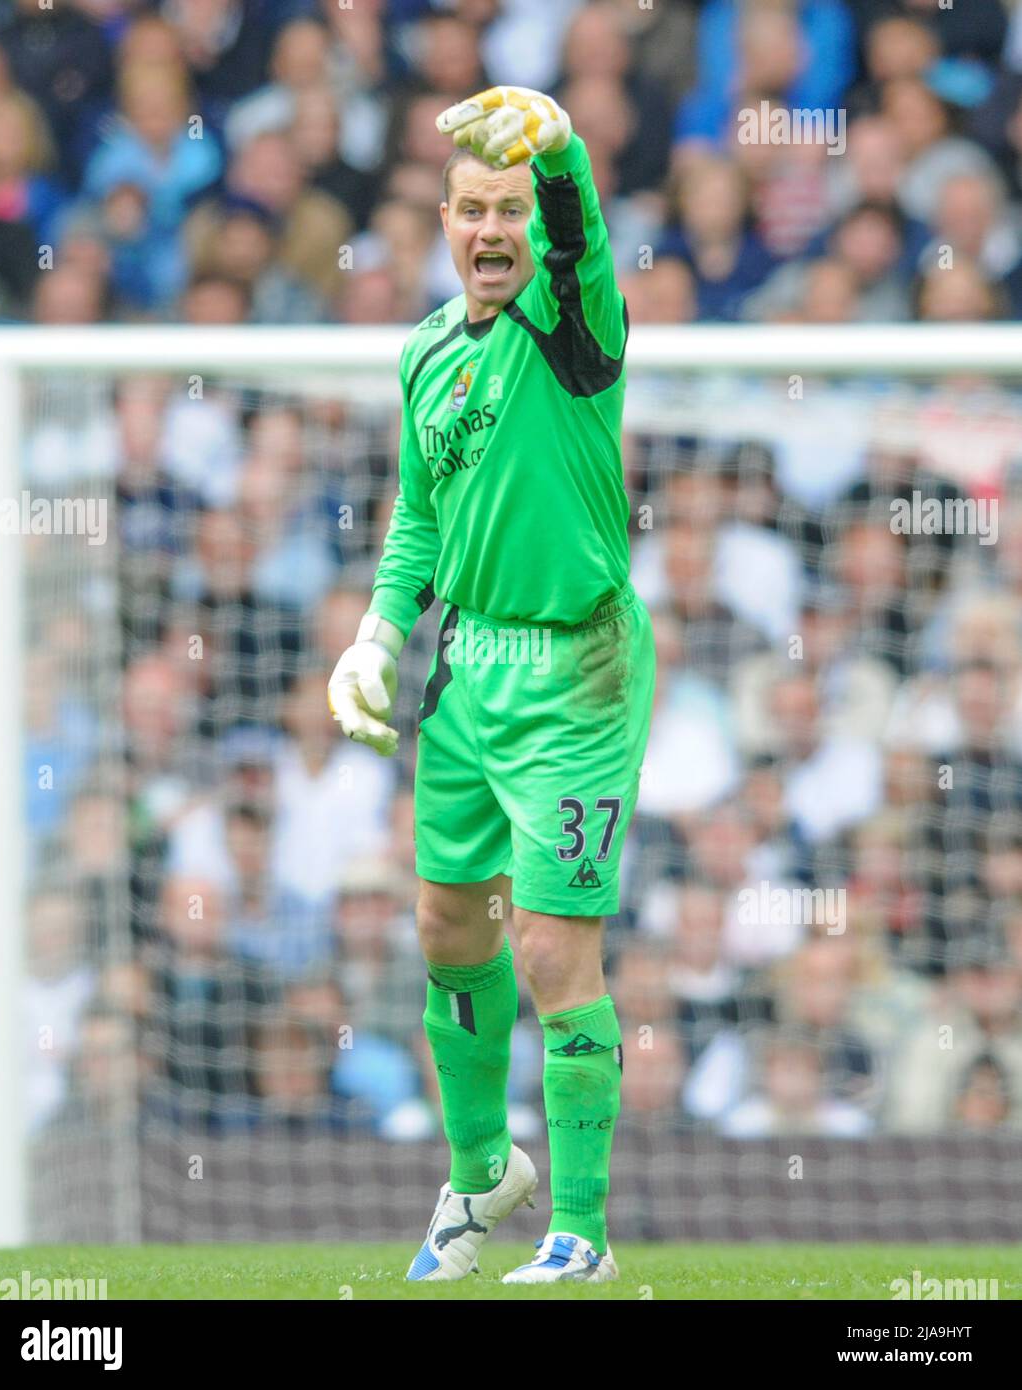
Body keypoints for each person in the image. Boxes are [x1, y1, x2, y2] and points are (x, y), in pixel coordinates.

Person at [328, 87, 656, 1284]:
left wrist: (562, 147)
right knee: (442, 921)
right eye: (472, 209)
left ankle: (581, 1234)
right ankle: (479, 1179)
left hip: (578, 666)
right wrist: (377, 632)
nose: (491, 230)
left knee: (552, 949)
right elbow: (421, 517)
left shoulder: (574, 326)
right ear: (446, 221)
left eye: (509, 208)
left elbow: (578, 240)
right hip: (470, 665)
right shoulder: (420, 352)